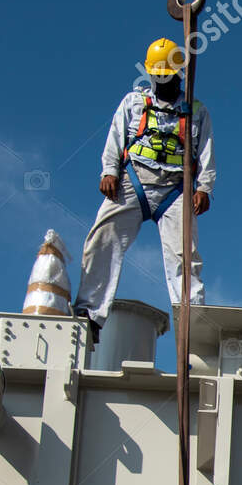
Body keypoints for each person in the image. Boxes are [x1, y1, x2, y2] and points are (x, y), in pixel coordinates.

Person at [74, 38, 215, 343]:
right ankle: (89, 313)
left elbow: (205, 151)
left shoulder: (196, 112)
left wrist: (204, 187)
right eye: (156, 76)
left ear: (179, 74)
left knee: (184, 257)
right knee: (102, 239)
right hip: (133, 180)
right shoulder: (133, 103)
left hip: (175, 189)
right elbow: (115, 136)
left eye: (166, 76)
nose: (160, 81)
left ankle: (193, 323)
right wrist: (109, 170)